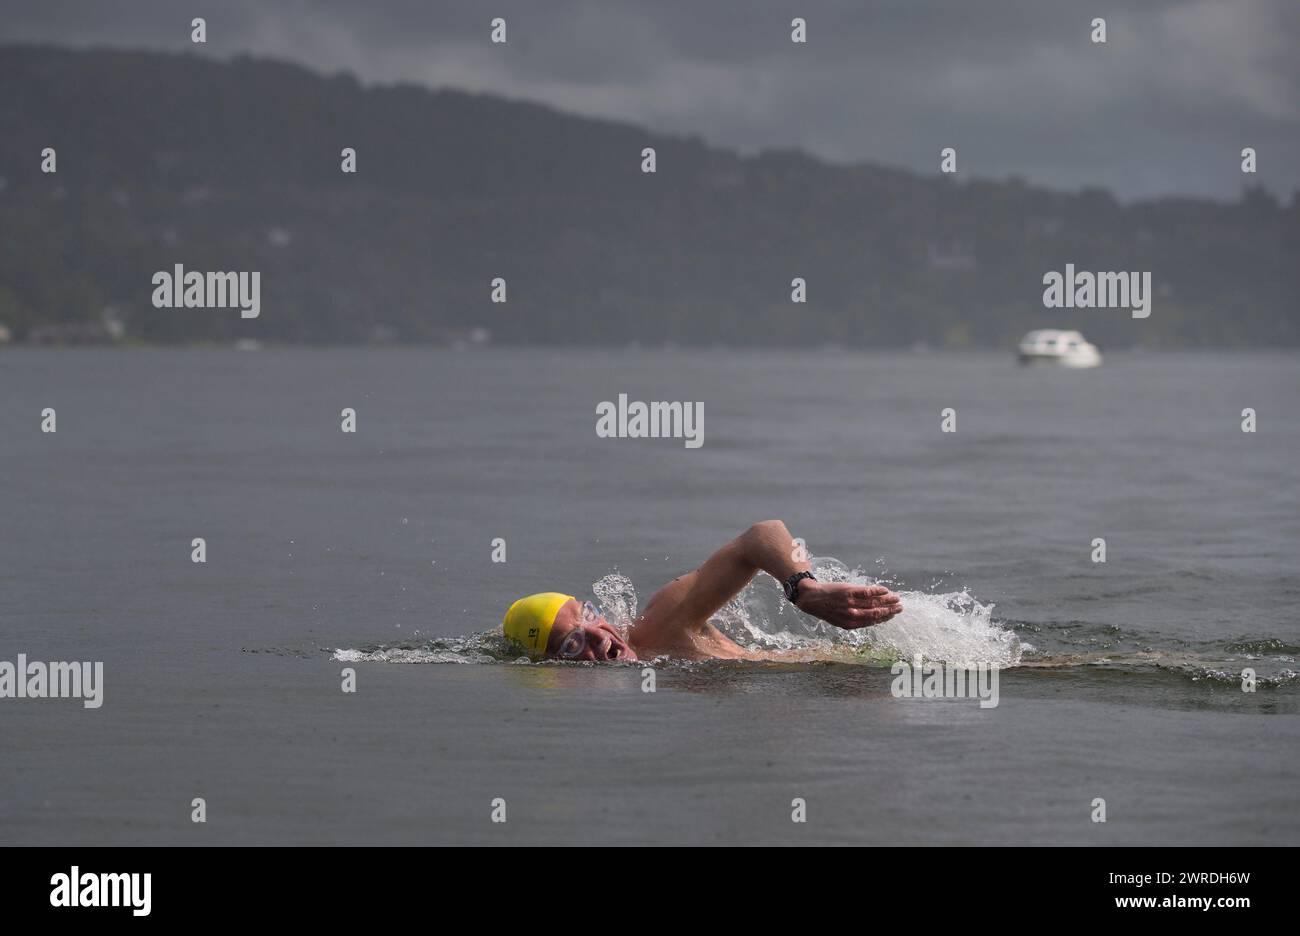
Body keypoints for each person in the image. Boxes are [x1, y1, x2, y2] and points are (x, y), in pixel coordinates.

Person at [502, 519, 903, 661]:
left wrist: (804, 589)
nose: (597, 640)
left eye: (587, 617)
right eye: (572, 646)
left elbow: (760, 536)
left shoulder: (659, 629)